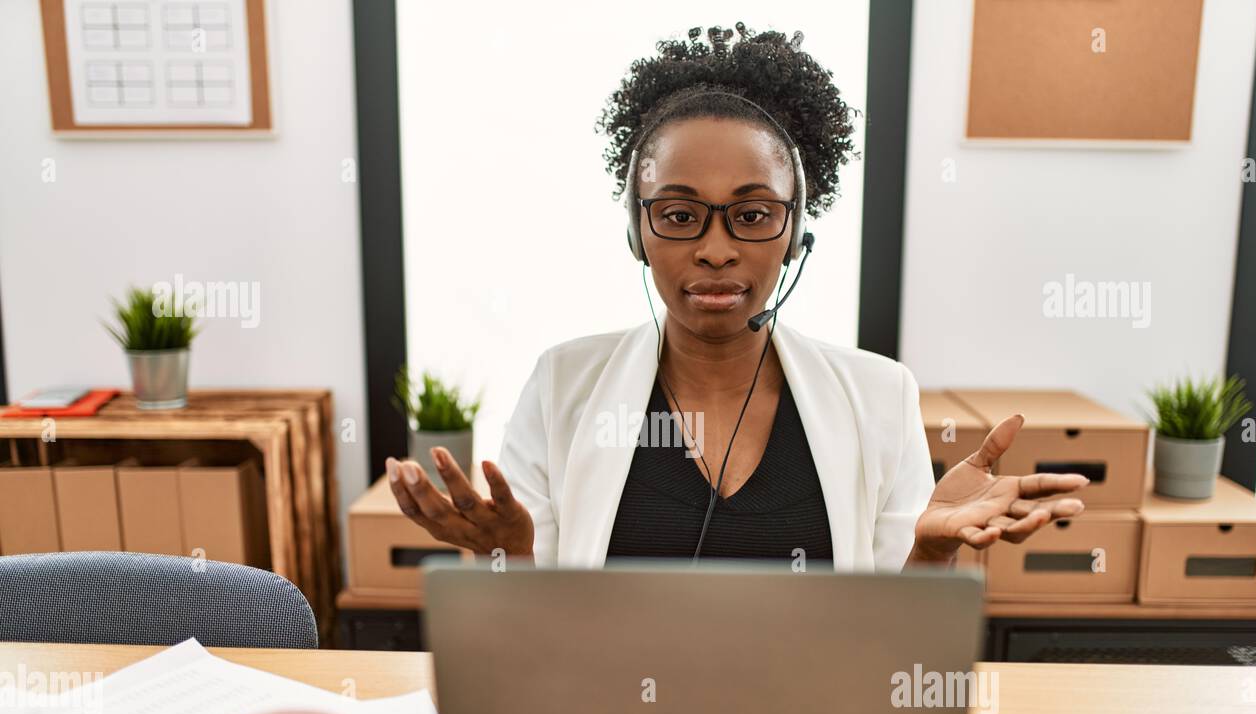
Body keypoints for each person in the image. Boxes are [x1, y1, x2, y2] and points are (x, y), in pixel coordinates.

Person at [387, 23, 1086, 570]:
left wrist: (932, 550)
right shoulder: (562, 385)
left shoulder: (879, 395)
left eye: (752, 215)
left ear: (796, 234)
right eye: (680, 214)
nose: (716, 248)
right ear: (637, 232)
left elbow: (887, 646)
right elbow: (531, 640)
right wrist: (507, 554)